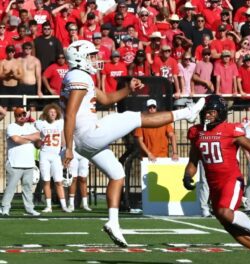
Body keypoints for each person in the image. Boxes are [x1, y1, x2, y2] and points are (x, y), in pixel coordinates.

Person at [62, 40, 205, 248]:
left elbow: (108, 99)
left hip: (84, 139)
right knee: (133, 117)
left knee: (117, 174)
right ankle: (187, 113)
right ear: (79, 58)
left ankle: (113, 222)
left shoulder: (80, 76)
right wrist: (68, 148)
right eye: (91, 55)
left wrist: (128, 89)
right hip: (87, 133)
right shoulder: (78, 76)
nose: (95, 59)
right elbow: (70, 114)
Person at [183, 95, 250, 264]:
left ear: (220, 113)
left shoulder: (230, 130)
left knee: (226, 213)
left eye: (211, 112)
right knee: (228, 225)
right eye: (205, 113)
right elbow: (193, 161)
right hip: (214, 185)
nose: (208, 116)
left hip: (231, 180)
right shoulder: (197, 133)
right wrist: (187, 176)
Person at [1, 107, 40, 216]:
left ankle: (29, 208)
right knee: (11, 188)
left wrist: (24, 137)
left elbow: (38, 136)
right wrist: (30, 139)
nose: (22, 117)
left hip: (29, 163)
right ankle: (5, 208)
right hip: (15, 163)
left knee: (28, 188)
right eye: (19, 115)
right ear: (15, 116)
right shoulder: (11, 127)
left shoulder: (30, 126)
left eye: (23, 115)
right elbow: (16, 140)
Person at [35, 103, 71, 213]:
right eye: (50, 112)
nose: (52, 114)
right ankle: (48, 206)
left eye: (54, 112)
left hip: (56, 155)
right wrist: (38, 142)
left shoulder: (60, 123)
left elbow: (64, 140)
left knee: (58, 181)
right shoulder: (40, 124)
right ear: (46, 113)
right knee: (46, 181)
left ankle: (64, 206)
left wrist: (65, 154)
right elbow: (36, 139)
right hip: (44, 155)